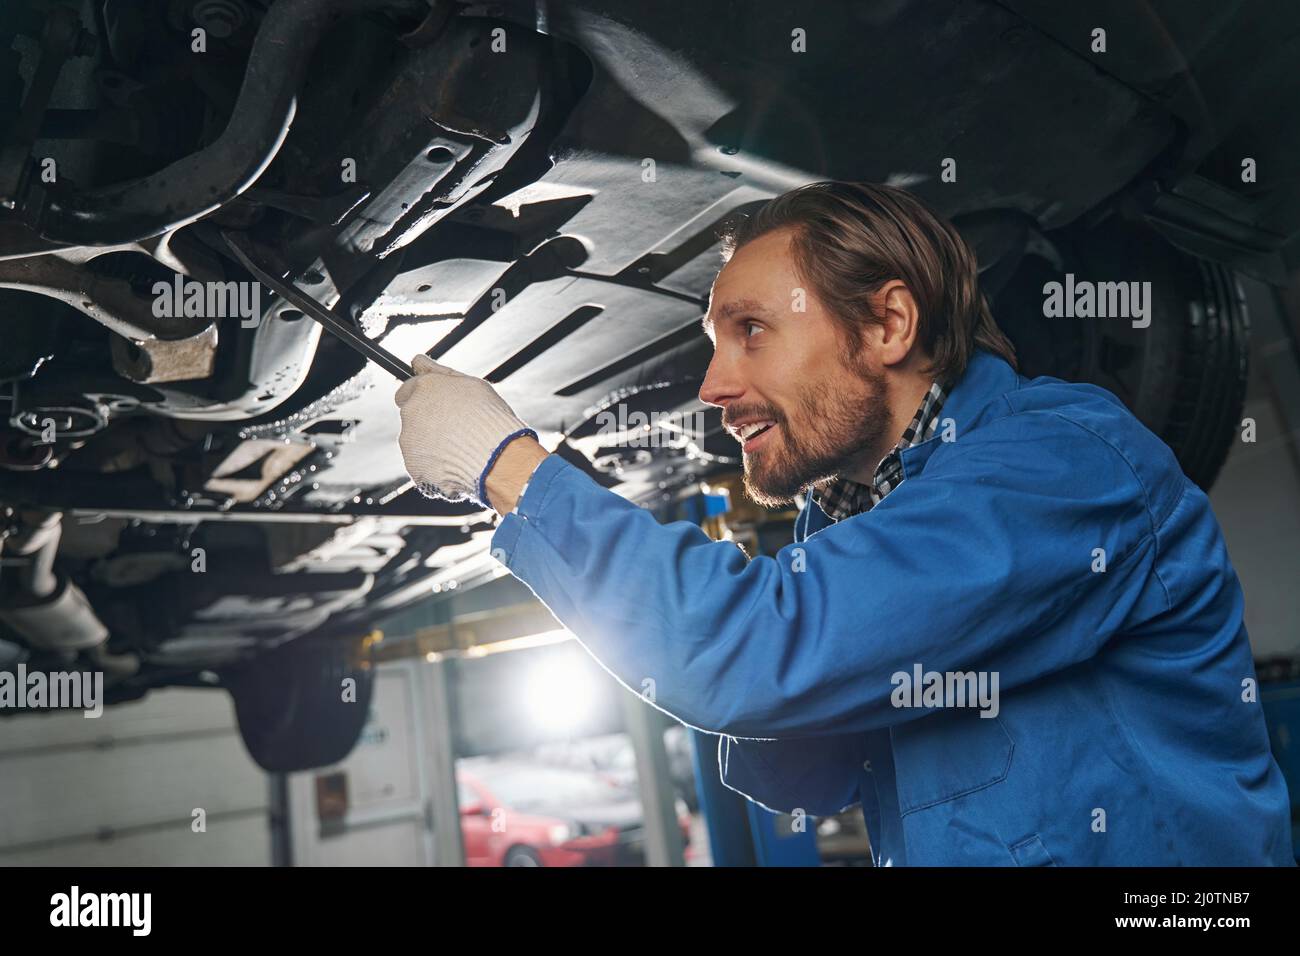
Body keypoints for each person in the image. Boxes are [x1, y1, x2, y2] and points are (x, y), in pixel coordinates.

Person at [394, 181, 1294, 866]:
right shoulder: (847, 517)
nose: (711, 387)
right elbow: (805, 772)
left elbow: (759, 658)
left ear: (889, 323)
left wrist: (508, 469)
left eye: (752, 330)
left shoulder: (1062, 465)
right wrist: (722, 618)